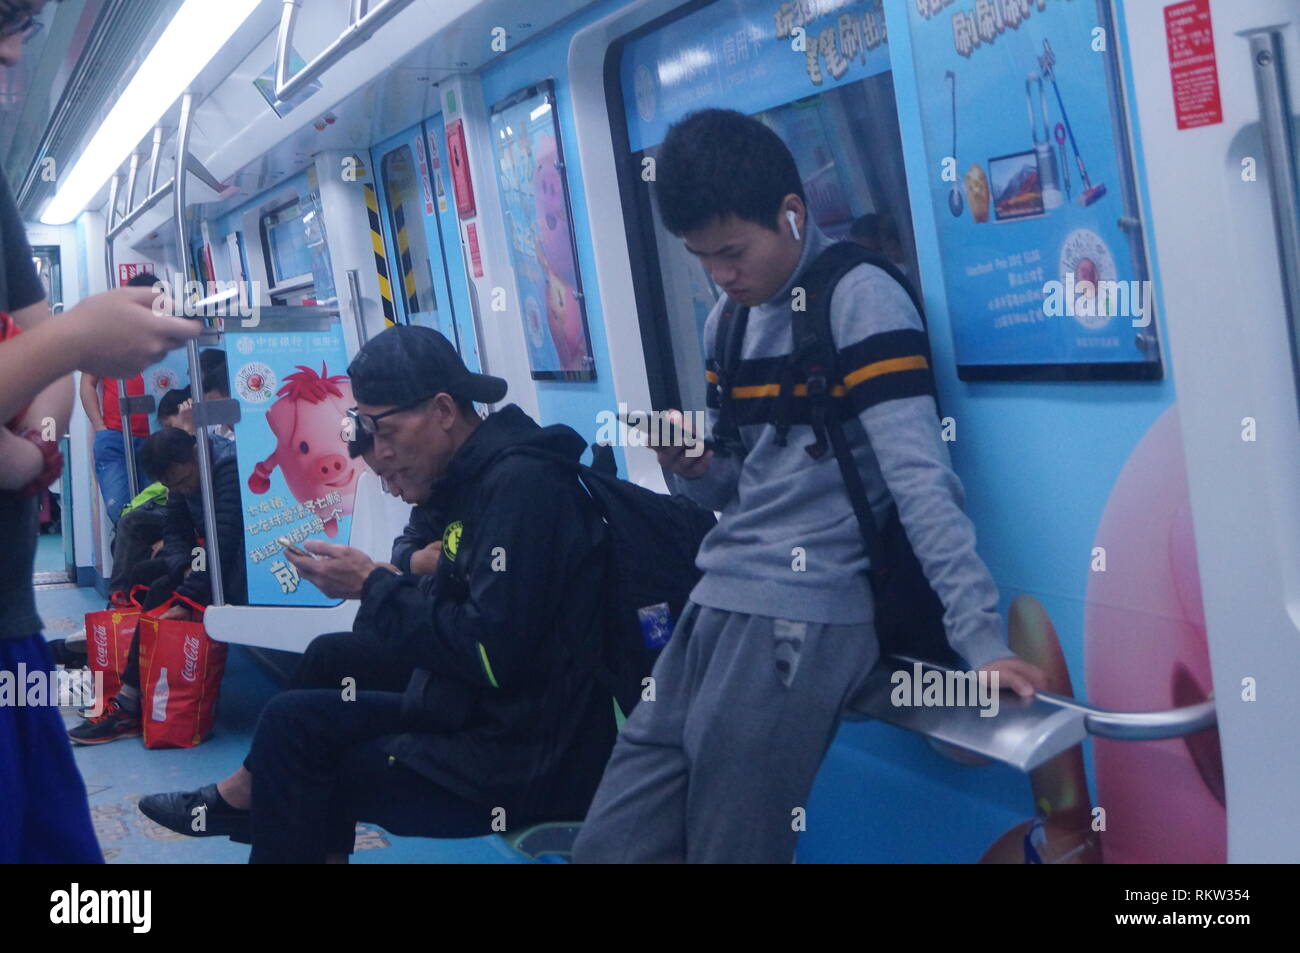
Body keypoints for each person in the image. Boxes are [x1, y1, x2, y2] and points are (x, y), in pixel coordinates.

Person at [572, 109, 1048, 864]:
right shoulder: (728, 323)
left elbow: (921, 479)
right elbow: (735, 484)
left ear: (793, 214)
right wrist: (691, 465)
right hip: (716, 597)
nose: (720, 276)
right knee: (612, 842)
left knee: (731, 848)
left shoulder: (861, 298)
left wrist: (980, 641)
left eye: (732, 252)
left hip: (803, 614)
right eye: (702, 260)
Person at [139, 326, 616, 862]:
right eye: (366, 430)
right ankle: (252, 798)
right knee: (331, 658)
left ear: (441, 410)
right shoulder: (466, 477)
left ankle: (251, 798)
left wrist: (375, 585)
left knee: (296, 741)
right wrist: (398, 579)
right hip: (484, 704)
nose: (378, 451)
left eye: (382, 430)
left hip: (528, 750)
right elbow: (418, 555)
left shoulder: (520, 490)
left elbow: (488, 654)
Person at [0, 0, 202, 866]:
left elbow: (32, 339)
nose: (6, 87)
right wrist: (76, 341)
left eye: (10, 64)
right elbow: (50, 342)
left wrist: (29, 449)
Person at [68, 426, 247, 745]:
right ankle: (131, 695)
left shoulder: (227, 468)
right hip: (207, 557)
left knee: (163, 591)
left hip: (244, 564)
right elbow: (176, 531)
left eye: (181, 482)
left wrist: (188, 595)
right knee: (148, 575)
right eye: (171, 486)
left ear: (194, 455)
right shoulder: (181, 478)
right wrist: (186, 567)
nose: (180, 489)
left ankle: (127, 703)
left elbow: (226, 540)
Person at [80, 271, 163, 523]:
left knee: (162, 511)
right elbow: (88, 383)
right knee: (121, 512)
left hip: (158, 438)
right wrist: (99, 427)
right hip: (115, 436)